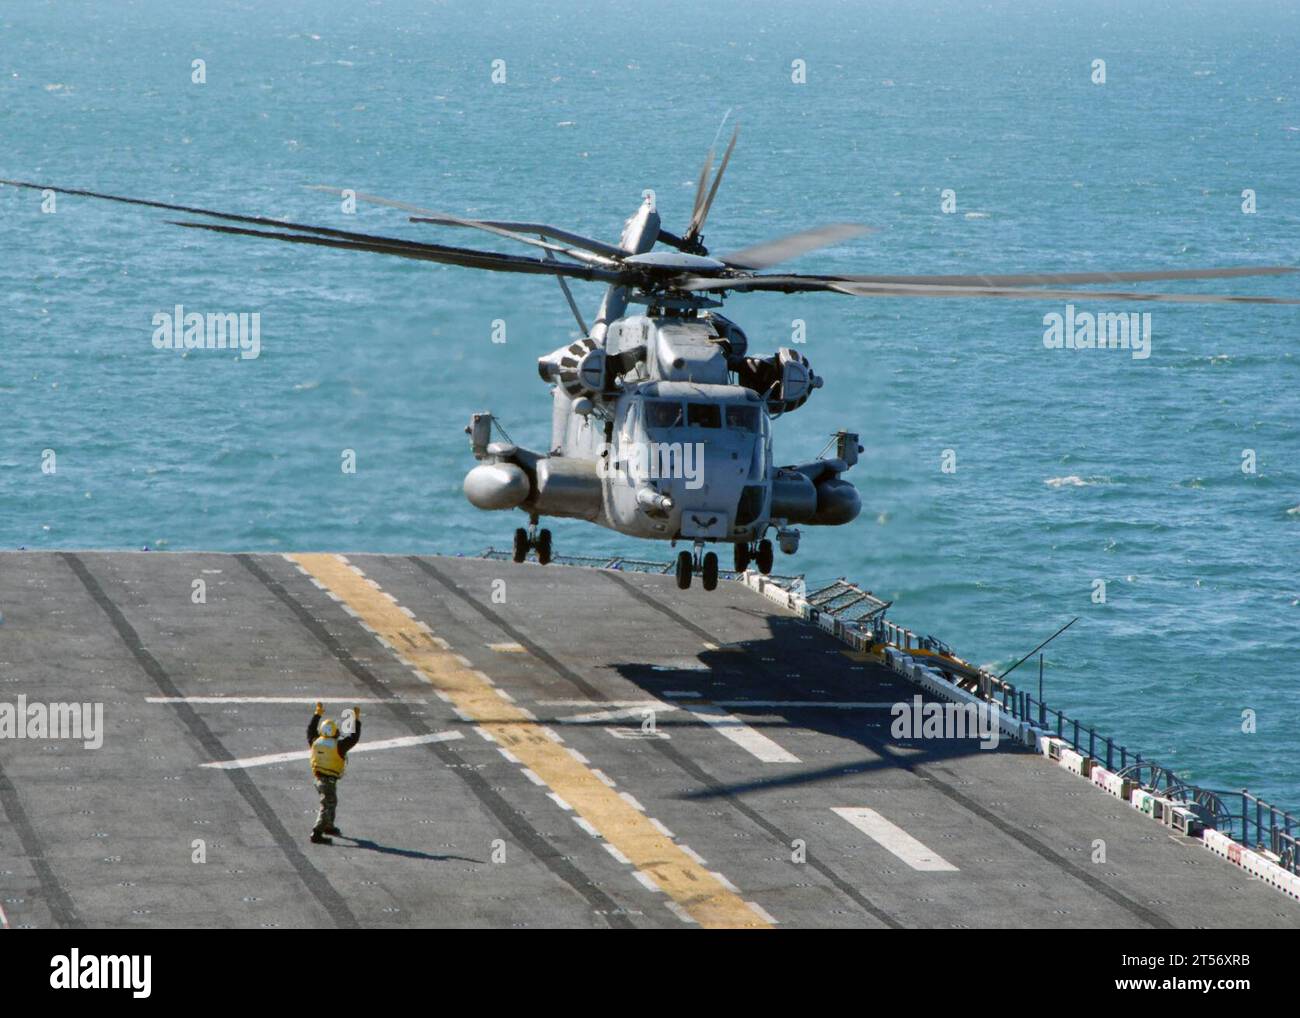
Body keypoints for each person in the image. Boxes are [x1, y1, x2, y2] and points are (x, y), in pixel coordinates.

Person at [307, 702, 361, 845]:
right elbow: (354, 738)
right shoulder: (339, 746)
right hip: (328, 781)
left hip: (318, 778)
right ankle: (316, 832)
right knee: (327, 804)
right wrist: (356, 720)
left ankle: (328, 826)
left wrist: (317, 714)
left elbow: (310, 730)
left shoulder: (314, 741)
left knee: (331, 801)